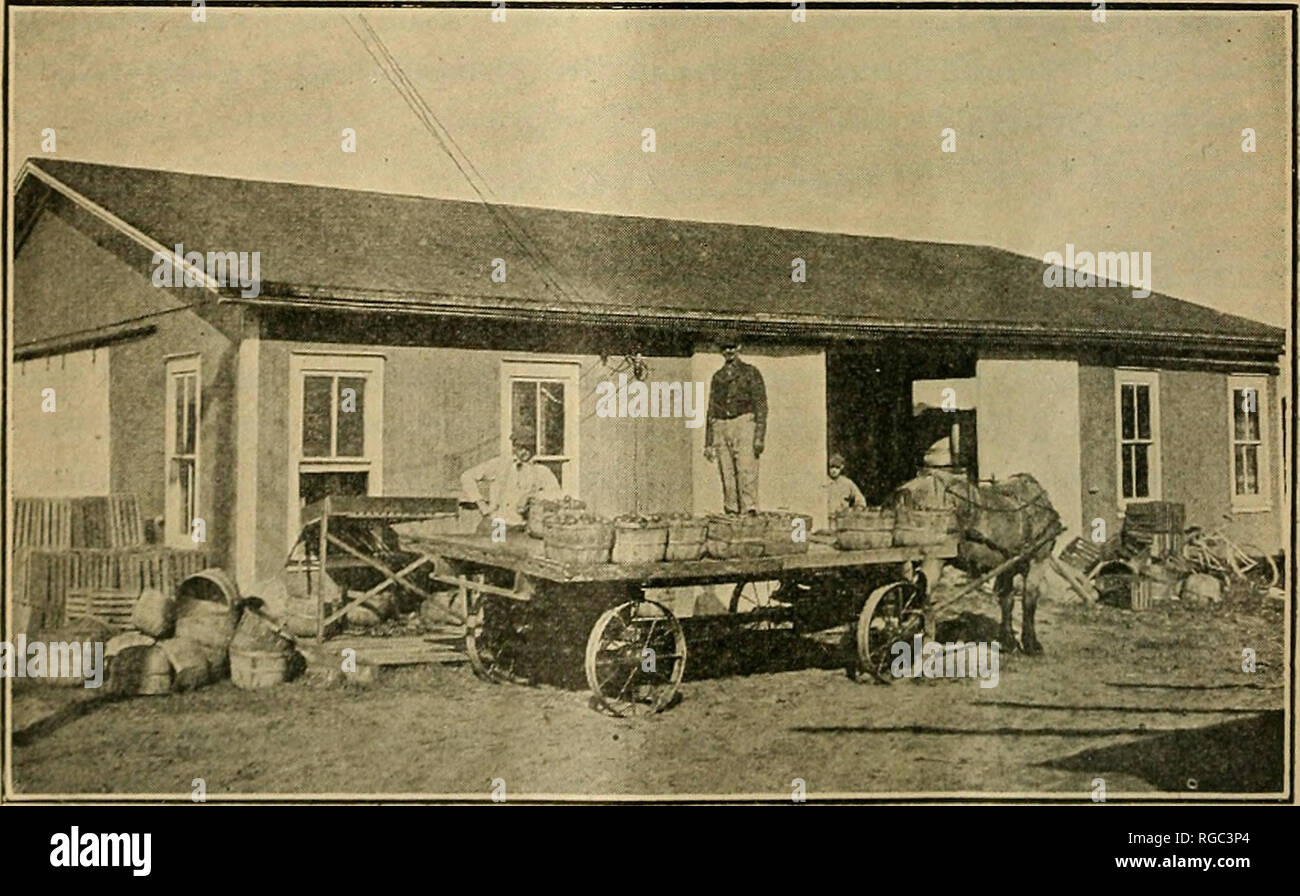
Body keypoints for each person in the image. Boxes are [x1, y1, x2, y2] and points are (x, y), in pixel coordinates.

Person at [704, 331, 767, 515]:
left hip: (745, 423)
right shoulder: (717, 377)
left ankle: (749, 512)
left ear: (739, 348)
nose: (729, 351)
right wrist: (708, 442)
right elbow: (711, 409)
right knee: (727, 474)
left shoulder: (751, 372)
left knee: (746, 471)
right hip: (721, 425)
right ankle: (731, 512)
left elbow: (761, 405)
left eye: (732, 346)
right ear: (721, 351)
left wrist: (759, 436)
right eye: (725, 348)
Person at [459, 431, 562, 532]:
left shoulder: (541, 471)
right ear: (514, 447)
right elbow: (467, 477)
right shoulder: (500, 464)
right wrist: (481, 504)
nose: (524, 452)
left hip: (523, 527)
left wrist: (531, 496)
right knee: (491, 547)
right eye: (520, 447)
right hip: (496, 524)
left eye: (528, 448)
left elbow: (556, 494)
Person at [824, 453, 867, 526]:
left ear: (841, 467)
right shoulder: (824, 482)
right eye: (832, 467)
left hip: (842, 522)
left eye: (837, 467)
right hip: (825, 521)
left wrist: (852, 514)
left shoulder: (847, 483)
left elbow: (861, 502)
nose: (834, 470)